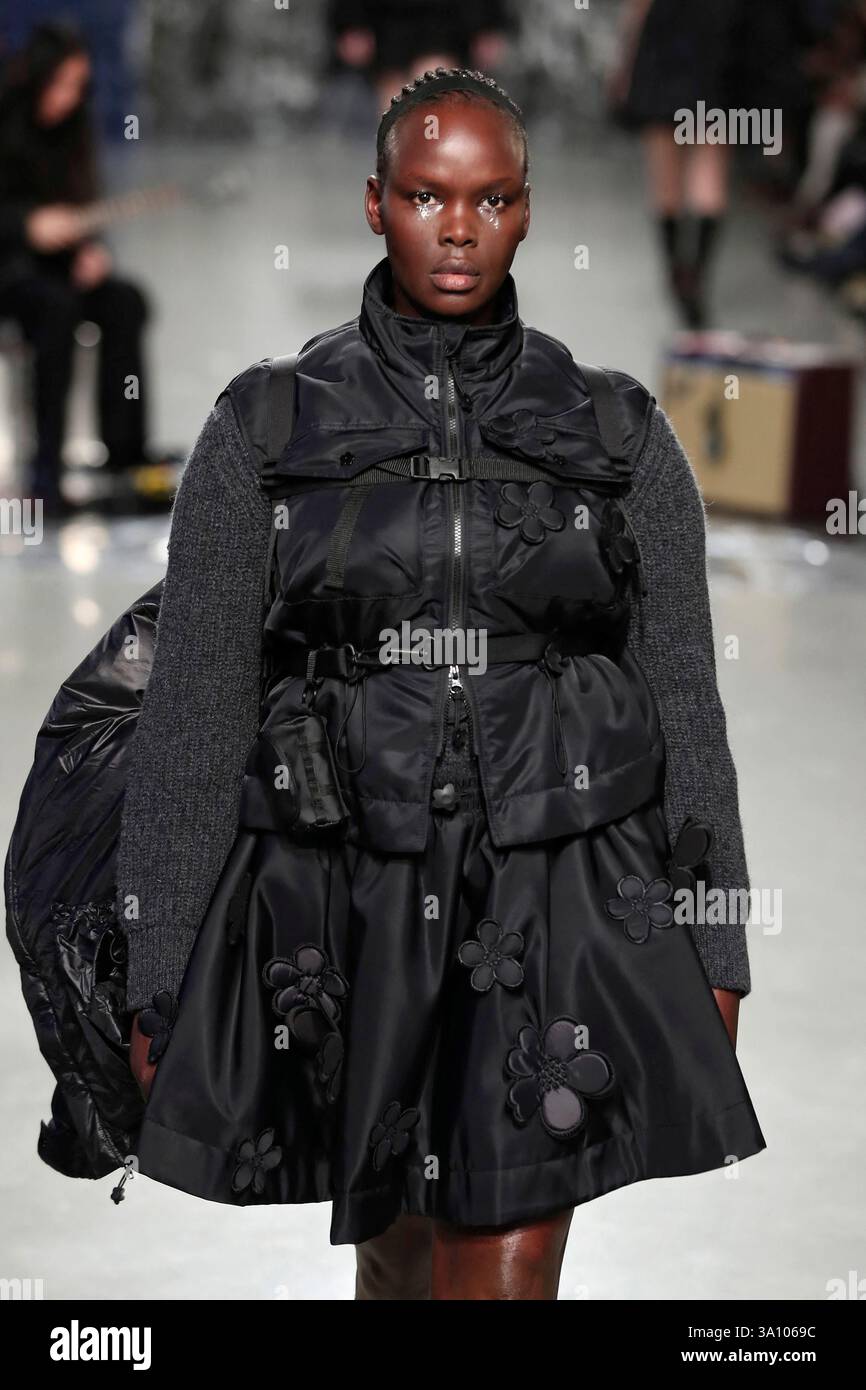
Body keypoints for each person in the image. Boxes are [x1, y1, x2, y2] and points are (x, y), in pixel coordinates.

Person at [115, 67, 765, 1301]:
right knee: (400, 1258)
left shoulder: (616, 434)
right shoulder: (264, 430)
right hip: (342, 886)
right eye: (424, 195)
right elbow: (195, 716)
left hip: (560, 885)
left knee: (500, 1274)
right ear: (374, 203)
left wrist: (717, 935)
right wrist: (158, 966)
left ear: (526, 209)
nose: (455, 228)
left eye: (486, 198)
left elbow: (685, 701)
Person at [0, 21, 157, 517]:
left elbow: (80, 205)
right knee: (56, 310)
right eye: (63, 83)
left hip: (57, 267)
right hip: (10, 269)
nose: (71, 96)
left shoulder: (74, 130)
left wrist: (88, 249)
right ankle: (45, 471)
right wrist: (27, 224)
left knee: (125, 299)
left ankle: (124, 457)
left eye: (79, 86)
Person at [607, 0, 749, 328]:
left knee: (665, 177)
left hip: (667, 39)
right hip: (718, 41)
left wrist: (625, 65)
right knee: (709, 172)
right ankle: (695, 280)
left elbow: (638, 7)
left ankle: (676, 275)